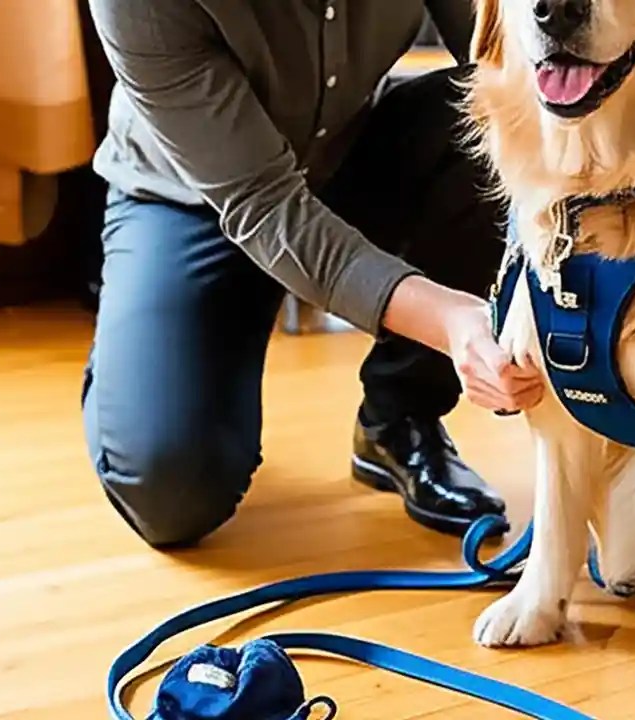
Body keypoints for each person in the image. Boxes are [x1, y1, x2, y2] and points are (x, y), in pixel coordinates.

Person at [82, 0, 543, 550]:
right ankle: (132, 365)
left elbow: (506, 62)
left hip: (343, 152)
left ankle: (398, 418)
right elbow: (264, 206)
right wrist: (448, 320)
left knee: (499, 108)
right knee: (171, 493)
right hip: (190, 199)